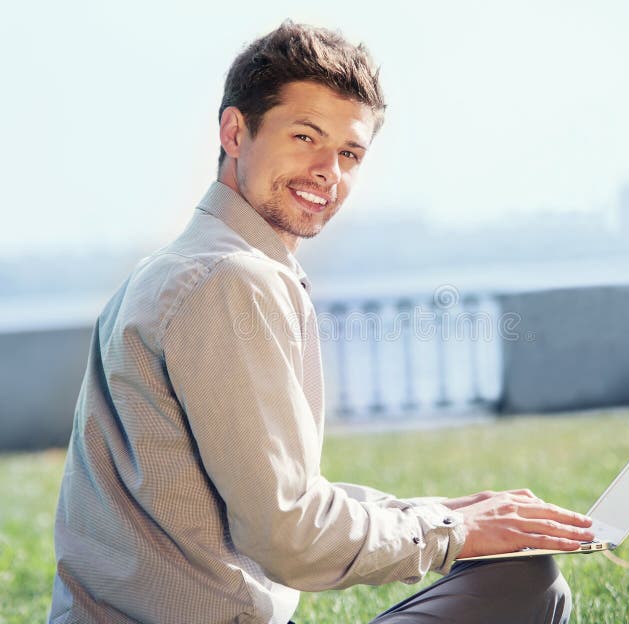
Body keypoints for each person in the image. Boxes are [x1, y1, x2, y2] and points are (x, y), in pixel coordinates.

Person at [49, 20, 594, 624]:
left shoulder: (176, 268)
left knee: (518, 569)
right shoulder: (231, 280)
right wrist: (450, 533)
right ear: (236, 131)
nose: (327, 170)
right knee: (528, 583)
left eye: (349, 153)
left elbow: (271, 501)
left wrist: (443, 511)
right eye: (305, 136)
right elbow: (289, 536)